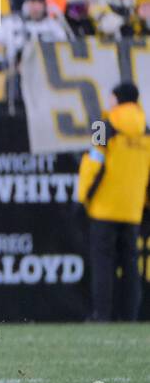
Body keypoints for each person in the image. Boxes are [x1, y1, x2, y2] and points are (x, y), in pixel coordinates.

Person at [77, 82, 150, 322]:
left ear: (117, 99)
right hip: (132, 209)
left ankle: (102, 315)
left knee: (103, 265)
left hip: (104, 207)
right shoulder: (145, 129)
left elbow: (93, 161)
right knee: (131, 266)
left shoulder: (102, 125)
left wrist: (82, 196)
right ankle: (129, 316)